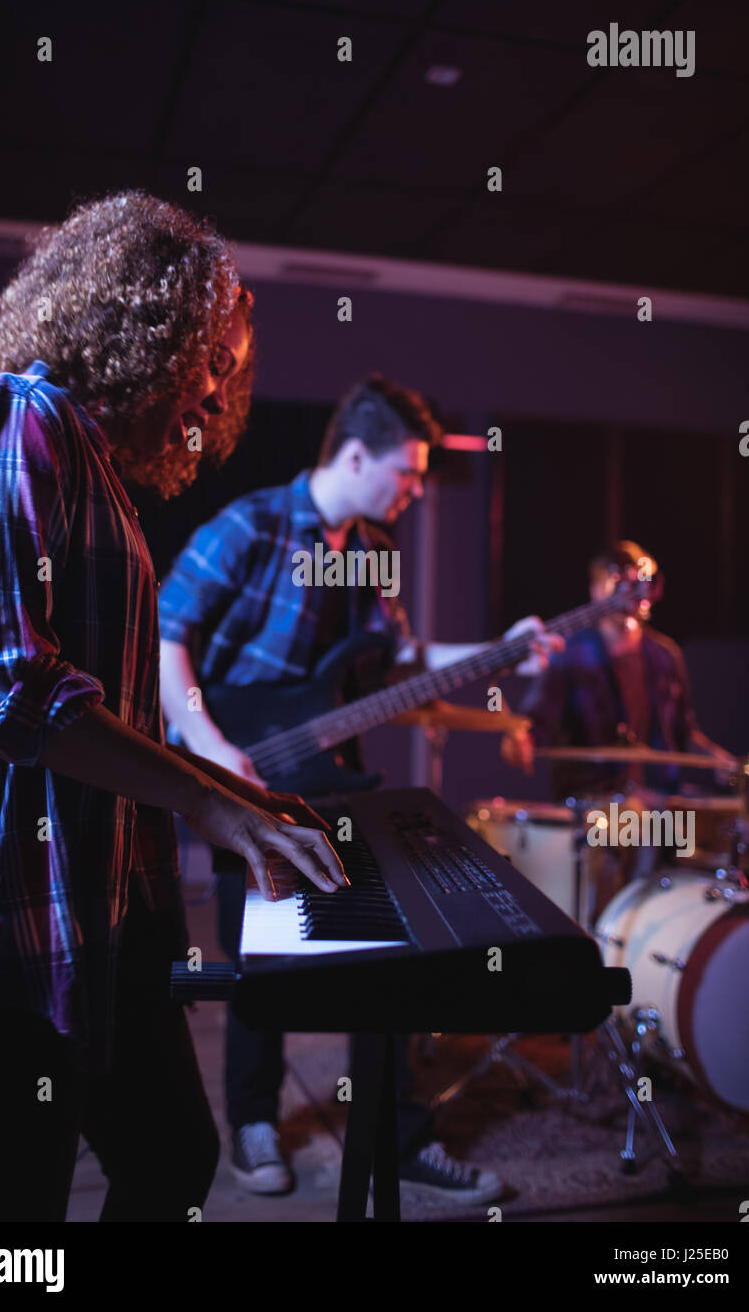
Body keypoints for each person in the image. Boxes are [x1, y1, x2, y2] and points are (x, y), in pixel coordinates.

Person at [0, 191, 344, 1223]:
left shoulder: (98, 470)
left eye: (228, 364)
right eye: (210, 352)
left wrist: (231, 795)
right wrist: (215, 808)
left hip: (102, 912)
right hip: (3, 928)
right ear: (144, 326)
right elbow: (0, 684)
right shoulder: (20, 421)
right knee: (7, 1217)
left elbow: (110, 720)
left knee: (169, 1160)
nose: (217, 381)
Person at [159, 375, 556, 1202]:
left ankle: (402, 1136)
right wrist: (212, 745)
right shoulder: (252, 523)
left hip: (331, 778)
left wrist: (502, 649)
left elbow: (403, 663)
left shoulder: (371, 545)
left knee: (389, 947)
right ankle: (254, 1125)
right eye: (406, 473)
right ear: (352, 454)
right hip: (238, 767)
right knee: (261, 954)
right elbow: (167, 635)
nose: (414, 490)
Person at [502, 541, 734, 885]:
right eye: (622, 583)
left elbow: (684, 734)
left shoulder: (665, 656)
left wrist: (724, 763)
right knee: (642, 821)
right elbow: (533, 724)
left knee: (722, 821)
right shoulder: (570, 655)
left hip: (659, 800)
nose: (634, 591)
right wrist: (519, 740)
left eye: (642, 580)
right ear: (598, 590)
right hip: (594, 806)